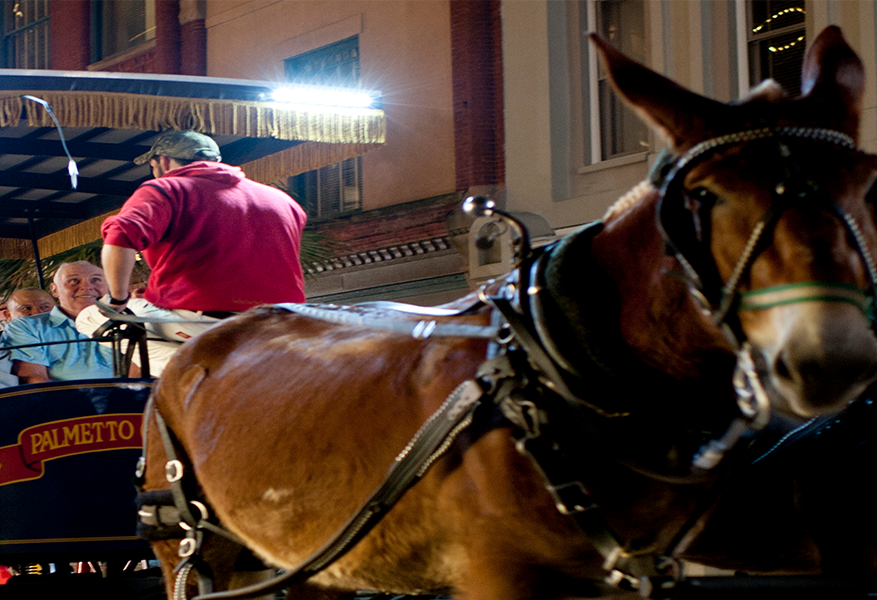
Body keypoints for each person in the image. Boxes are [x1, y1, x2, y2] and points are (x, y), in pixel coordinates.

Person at [76, 130, 307, 376]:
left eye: (153, 166)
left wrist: (118, 300)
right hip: (283, 321)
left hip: (210, 321)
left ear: (163, 161)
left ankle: (195, 370)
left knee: (90, 316)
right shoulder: (282, 199)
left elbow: (120, 237)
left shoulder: (165, 188)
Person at [1, 262, 114, 384]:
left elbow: (136, 367)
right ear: (54, 290)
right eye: (74, 281)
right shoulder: (27, 326)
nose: (87, 287)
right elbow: (32, 376)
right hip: (63, 399)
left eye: (96, 280)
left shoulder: (125, 321)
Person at [0, 288, 56, 387]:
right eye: (26, 309)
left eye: (45, 307)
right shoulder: (10, 341)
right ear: (8, 315)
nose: (36, 313)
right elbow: (32, 376)